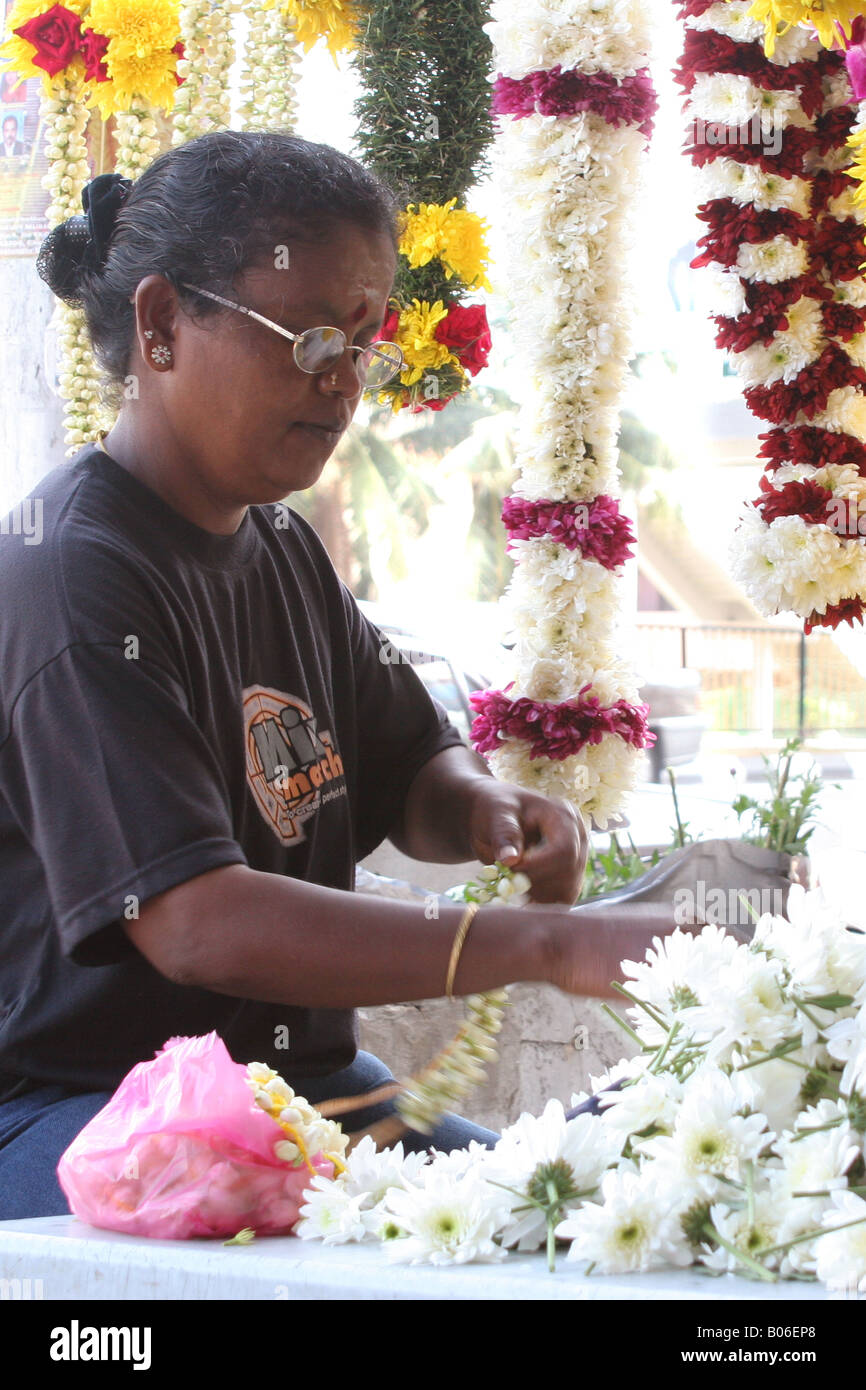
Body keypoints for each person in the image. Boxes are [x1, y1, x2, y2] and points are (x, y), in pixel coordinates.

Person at [0, 131, 679, 1220]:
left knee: (559, 1212)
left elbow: (405, 766)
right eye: (308, 335)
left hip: (301, 1094)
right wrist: (547, 940)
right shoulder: (74, 574)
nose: (344, 381)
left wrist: (481, 807)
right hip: (100, 1123)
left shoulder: (274, 543)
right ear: (163, 324)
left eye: (363, 342)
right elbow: (194, 923)